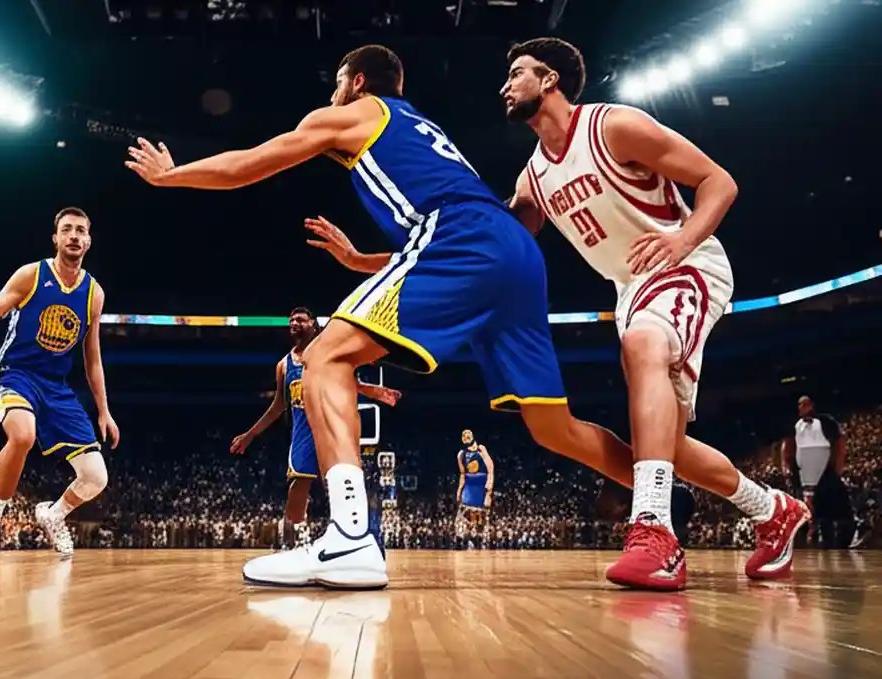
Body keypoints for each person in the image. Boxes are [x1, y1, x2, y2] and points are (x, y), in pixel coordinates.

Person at [127, 45, 655, 590]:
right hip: (513, 251)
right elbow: (444, 237)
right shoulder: (420, 127)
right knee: (555, 429)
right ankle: (659, 500)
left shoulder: (355, 113)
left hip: (461, 237)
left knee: (323, 358)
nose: (332, 93)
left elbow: (252, 163)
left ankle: (349, 537)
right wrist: (359, 260)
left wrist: (172, 176)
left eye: (337, 81)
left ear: (357, 81)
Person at [498, 37, 809, 587]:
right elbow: (494, 241)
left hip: (686, 265)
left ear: (549, 80)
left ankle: (654, 531)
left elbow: (719, 181)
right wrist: (395, 254)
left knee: (642, 346)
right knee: (664, 445)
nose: (505, 85)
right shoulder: (533, 178)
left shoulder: (613, 126)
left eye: (517, 73)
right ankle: (772, 511)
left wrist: (682, 239)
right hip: (631, 290)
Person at [0, 207, 119, 560]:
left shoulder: (94, 293)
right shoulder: (31, 275)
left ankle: (54, 514)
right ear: (55, 238)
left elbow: (92, 357)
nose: (74, 235)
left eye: (80, 230)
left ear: (89, 240)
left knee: (96, 477)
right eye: (67, 229)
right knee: (22, 436)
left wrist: (104, 411)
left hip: (56, 387)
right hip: (15, 373)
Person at [229, 307, 400, 549]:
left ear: (313, 324)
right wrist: (250, 435)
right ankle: (292, 543)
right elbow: (278, 405)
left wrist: (377, 392)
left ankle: (351, 538)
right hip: (303, 431)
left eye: (300, 319)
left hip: (331, 423)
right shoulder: (284, 365)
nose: (294, 323)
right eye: (291, 320)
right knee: (298, 485)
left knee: (341, 482)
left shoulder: (328, 353)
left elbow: (352, 383)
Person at [784, 395, 851, 548]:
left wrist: (837, 468)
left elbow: (840, 443)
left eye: (805, 404)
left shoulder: (826, 422)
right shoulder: (795, 426)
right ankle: (806, 540)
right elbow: (787, 447)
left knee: (826, 511)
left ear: (812, 405)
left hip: (825, 472)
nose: (801, 408)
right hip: (803, 472)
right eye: (800, 405)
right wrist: (788, 467)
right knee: (804, 508)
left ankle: (829, 540)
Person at [455, 430, 494, 524]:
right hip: (469, 483)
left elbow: (490, 469)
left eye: (468, 434)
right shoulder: (461, 454)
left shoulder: (481, 449)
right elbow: (462, 474)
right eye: (464, 435)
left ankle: (481, 524)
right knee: (468, 509)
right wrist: (459, 490)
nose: (466, 436)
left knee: (483, 510)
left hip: (481, 482)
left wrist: (489, 487)